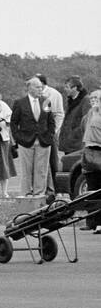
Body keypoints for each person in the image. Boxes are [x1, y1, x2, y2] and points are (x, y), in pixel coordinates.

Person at [10, 77, 55, 197]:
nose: (40, 89)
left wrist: (50, 136)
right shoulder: (19, 103)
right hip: (26, 142)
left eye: (41, 87)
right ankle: (26, 194)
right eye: (37, 87)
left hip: (43, 141)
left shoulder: (46, 101)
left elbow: (51, 121)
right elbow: (13, 123)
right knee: (26, 170)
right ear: (29, 88)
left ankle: (39, 194)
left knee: (41, 170)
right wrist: (18, 137)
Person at [80, 90, 101, 233]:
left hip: (99, 151)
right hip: (89, 152)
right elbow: (83, 129)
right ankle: (91, 221)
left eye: (96, 98)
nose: (93, 100)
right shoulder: (89, 114)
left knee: (99, 190)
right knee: (91, 189)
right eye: (91, 98)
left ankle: (100, 223)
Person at [59, 76, 90, 155]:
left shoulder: (86, 100)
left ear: (75, 88)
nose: (65, 89)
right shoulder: (70, 100)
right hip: (69, 143)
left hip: (77, 145)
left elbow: (86, 122)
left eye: (67, 87)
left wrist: (74, 134)